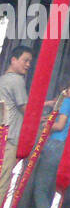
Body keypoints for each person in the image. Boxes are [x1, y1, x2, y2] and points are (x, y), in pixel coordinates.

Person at [31, 84, 70, 208]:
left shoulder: (66, 101)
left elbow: (60, 125)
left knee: (41, 187)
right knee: (54, 188)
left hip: (56, 144)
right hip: (68, 147)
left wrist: (46, 124)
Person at [0, 46, 33, 197]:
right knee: (3, 182)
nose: (28, 65)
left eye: (29, 62)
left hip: (3, 135)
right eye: (25, 60)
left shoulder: (3, 79)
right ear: (13, 60)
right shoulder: (17, 80)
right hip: (10, 139)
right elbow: (26, 109)